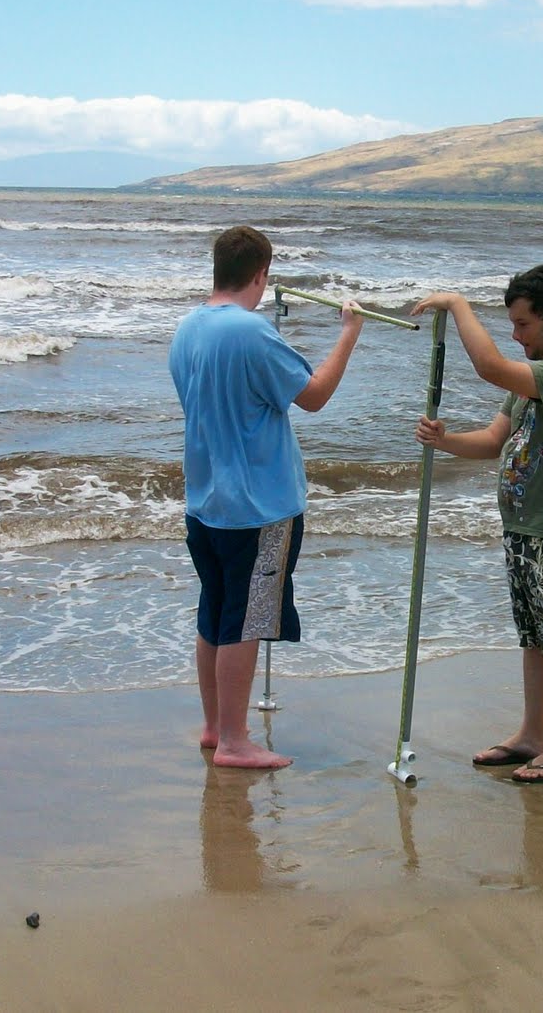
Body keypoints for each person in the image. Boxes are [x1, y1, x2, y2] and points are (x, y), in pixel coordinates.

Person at [170, 225, 365, 768]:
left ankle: (216, 727)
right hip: (259, 507)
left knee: (215, 609)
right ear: (260, 274)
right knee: (247, 619)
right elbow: (315, 396)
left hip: (205, 500)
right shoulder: (251, 333)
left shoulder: (187, 328)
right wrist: (349, 331)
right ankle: (234, 741)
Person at [412, 263, 543, 783]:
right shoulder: (531, 382)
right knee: (533, 639)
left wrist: (456, 303)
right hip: (526, 530)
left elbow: (489, 366)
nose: (515, 336)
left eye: (522, 325)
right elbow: (496, 441)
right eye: (512, 325)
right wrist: (444, 439)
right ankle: (532, 735)